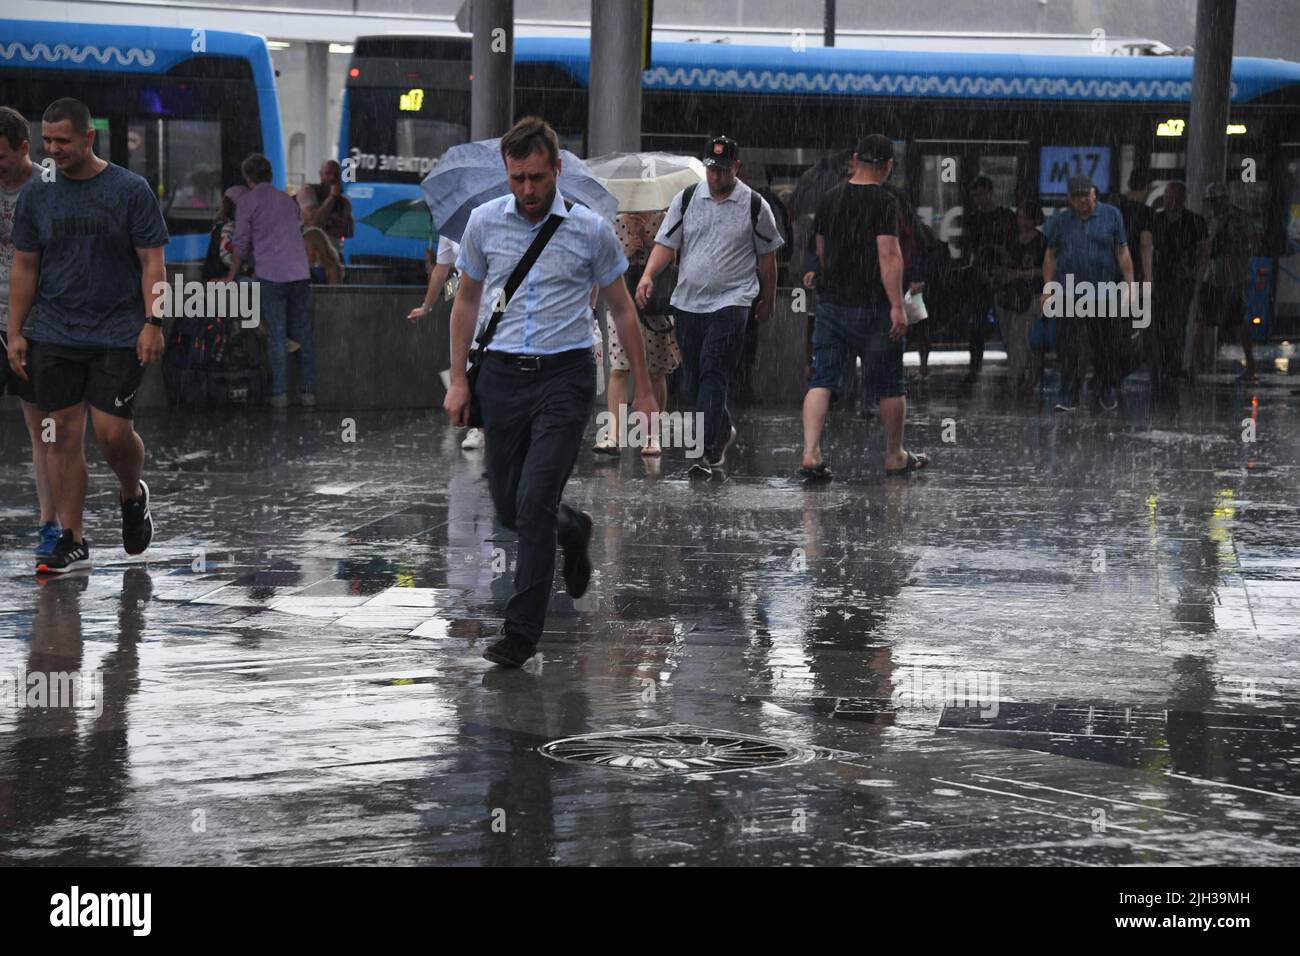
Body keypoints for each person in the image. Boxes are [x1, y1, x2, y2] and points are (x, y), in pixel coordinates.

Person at [443, 116, 656, 669]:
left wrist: (646, 391)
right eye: (517, 178)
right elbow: (465, 301)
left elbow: (623, 310)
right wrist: (461, 379)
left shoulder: (589, 229)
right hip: (501, 376)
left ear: (556, 169)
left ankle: (521, 631)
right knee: (513, 510)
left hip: (565, 378)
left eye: (537, 177)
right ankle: (573, 528)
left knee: (533, 502)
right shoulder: (484, 223)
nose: (528, 190)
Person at [6, 97, 168, 574]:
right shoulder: (38, 195)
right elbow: (25, 267)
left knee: (113, 433)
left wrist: (153, 322)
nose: (53, 150)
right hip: (55, 332)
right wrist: (16, 332)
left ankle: (132, 493)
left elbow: (152, 263)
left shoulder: (130, 189)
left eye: (63, 141)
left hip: (119, 331)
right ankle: (72, 539)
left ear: (89, 137)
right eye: (47, 141)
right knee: (60, 434)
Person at [636, 135, 783, 479]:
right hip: (689, 302)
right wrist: (647, 276)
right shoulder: (686, 199)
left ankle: (704, 451)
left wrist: (769, 297)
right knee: (693, 379)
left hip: (733, 300)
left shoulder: (754, 205)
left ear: (737, 167)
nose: (716, 176)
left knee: (714, 369)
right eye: (711, 169)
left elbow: (768, 258)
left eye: (723, 170)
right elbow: (665, 243)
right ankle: (722, 429)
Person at [799, 134, 928, 480]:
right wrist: (897, 305)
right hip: (873, 306)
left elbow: (822, 250)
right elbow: (888, 254)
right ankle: (894, 455)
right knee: (889, 384)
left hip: (832, 305)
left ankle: (811, 452)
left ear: (855, 159)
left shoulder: (829, 199)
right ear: (887, 166)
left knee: (822, 379)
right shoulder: (885, 202)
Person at [0, 105, 61, 559]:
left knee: (44, 429)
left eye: (2, 159)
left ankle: (50, 524)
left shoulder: (49, 188)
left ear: (24, 148)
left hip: (39, 323)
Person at [225, 153, 315, 408]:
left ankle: (279, 394)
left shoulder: (248, 202)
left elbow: (240, 244)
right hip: (299, 274)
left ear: (248, 177)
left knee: (276, 335)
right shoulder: (287, 201)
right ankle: (308, 394)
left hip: (272, 276)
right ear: (270, 175)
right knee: (303, 335)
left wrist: (231, 276)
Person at [1041, 175, 1135, 412]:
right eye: (1077, 196)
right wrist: (1047, 287)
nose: (1082, 200)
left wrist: (1131, 283)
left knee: (1105, 345)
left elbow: (1122, 251)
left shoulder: (1112, 215)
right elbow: (1050, 255)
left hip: (1103, 291)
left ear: (1095, 192)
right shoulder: (1061, 221)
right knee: (1068, 347)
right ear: (1070, 200)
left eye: (1086, 194)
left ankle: (1105, 389)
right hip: (1068, 291)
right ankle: (1069, 394)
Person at [594, 210, 680, 457]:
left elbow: (673, 259)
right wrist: (628, 251)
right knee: (619, 369)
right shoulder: (615, 222)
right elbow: (604, 266)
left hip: (654, 305)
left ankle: (652, 435)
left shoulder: (666, 219)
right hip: (621, 302)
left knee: (656, 370)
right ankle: (614, 435)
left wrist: (651, 244)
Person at [409, 233, 484, 450]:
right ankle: (478, 425)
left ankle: (498, 425)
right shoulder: (449, 230)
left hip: (500, 299)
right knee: (469, 361)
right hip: (468, 302)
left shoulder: (494, 216)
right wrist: (426, 306)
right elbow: (441, 271)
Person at [1192, 182, 1258, 383]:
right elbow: (1204, 247)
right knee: (1201, 322)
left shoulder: (1240, 219)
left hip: (1233, 278)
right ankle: (1193, 366)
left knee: (1239, 321)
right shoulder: (1210, 219)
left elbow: (1251, 244)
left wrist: (1233, 248)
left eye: (1216, 201)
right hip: (1213, 276)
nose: (1214, 205)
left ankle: (1251, 365)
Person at [1150, 180, 1208, 389]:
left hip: (1181, 281)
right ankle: (1161, 365)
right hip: (1160, 280)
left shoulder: (1194, 222)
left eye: (1174, 198)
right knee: (1159, 325)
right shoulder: (1156, 220)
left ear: (1182, 199)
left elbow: (1203, 249)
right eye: (1167, 197)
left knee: (1176, 325)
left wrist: (1194, 272)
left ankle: (1172, 366)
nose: (1169, 201)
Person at [959, 175, 1017, 384]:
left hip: (1000, 273)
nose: (978, 199)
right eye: (975, 195)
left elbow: (1011, 246)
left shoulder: (1004, 217)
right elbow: (972, 250)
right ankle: (975, 366)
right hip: (982, 275)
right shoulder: (975, 219)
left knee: (1007, 323)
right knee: (977, 325)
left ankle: (1014, 366)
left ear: (990, 193)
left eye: (981, 194)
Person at [994, 199, 1046, 392]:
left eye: (1026, 217)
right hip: (1008, 294)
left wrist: (1022, 274)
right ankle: (1029, 369)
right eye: (1020, 217)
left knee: (1019, 336)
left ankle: (1014, 379)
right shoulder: (1011, 239)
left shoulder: (1041, 242)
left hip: (1030, 294)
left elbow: (1046, 269)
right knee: (1010, 337)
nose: (1021, 221)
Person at [296, 159, 354, 256]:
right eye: (328, 173)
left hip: (334, 253)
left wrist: (334, 230)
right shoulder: (308, 191)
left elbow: (349, 231)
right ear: (321, 174)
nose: (332, 178)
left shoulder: (344, 202)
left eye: (336, 174)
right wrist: (332, 198)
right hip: (311, 254)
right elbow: (313, 221)